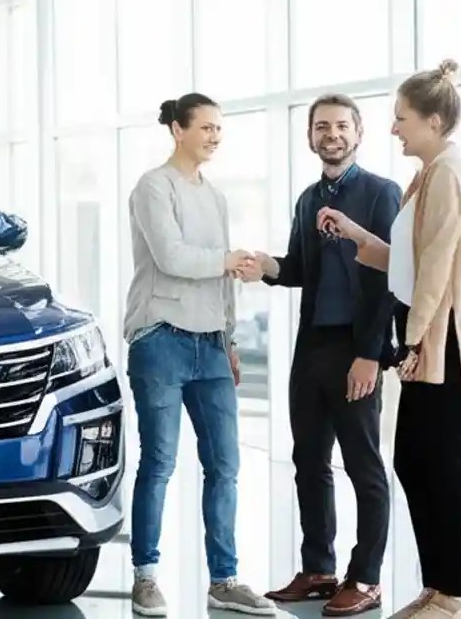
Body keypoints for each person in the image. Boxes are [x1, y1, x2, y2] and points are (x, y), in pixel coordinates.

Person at [317, 59, 461, 619]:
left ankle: (452, 593)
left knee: (438, 462)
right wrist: (356, 234)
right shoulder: (432, 172)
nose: (394, 129)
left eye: (402, 119)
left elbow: (437, 267)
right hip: (429, 336)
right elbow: (412, 262)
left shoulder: (447, 174)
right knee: (418, 460)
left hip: (444, 342)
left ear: (434, 121)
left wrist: (414, 342)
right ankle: (439, 586)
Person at [235, 94, 400, 616]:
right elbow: (300, 269)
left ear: (358, 133)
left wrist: (371, 354)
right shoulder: (308, 199)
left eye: (341, 126)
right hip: (311, 350)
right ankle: (318, 570)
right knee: (309, 462)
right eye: (321, 126)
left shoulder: (381, 193)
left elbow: (390, 279)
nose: (331, 134)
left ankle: (366, 577)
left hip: (357, 349)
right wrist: (266, 264)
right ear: (310, 136)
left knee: (364, 466)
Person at [123, 92, 274, 617]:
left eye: (218, 129)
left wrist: (230, 338)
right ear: (178, 130)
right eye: (206, 127)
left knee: (225, 466)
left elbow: (224, 280)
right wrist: (228, 259)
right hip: (160, 338)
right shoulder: (152, 186)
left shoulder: (216, 197)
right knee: (160, 462)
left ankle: (224, 580)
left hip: (210, 344)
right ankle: (145, 577)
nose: (214, 136)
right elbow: (172, 257)